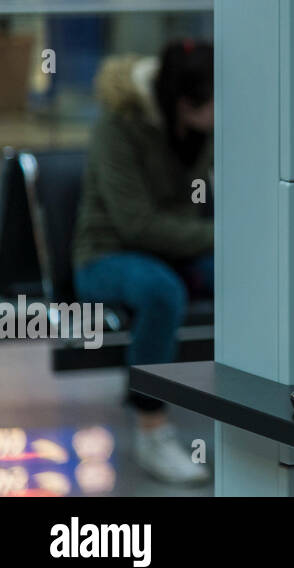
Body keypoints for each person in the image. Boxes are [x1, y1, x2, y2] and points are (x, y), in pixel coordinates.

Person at [72, 40, 215, 484]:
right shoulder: (120, 125)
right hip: (106, 256)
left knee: (254, 274)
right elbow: (136, 224)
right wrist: (223, 237)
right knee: (160, 290)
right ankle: (151, 428)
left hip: (175, 251)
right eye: (212, 101)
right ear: (183, 101)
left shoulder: (197, 127)